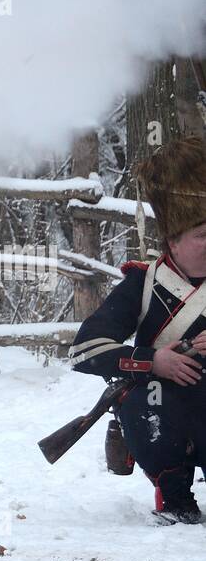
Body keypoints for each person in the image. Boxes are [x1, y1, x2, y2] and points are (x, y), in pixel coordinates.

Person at [69, 137, 206, 523]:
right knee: (148, 399)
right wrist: (152, 361)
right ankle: (175, 496)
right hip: (166, 407)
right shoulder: (141, 284)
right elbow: (85, 350)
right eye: (202, 236)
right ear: (173, 241)